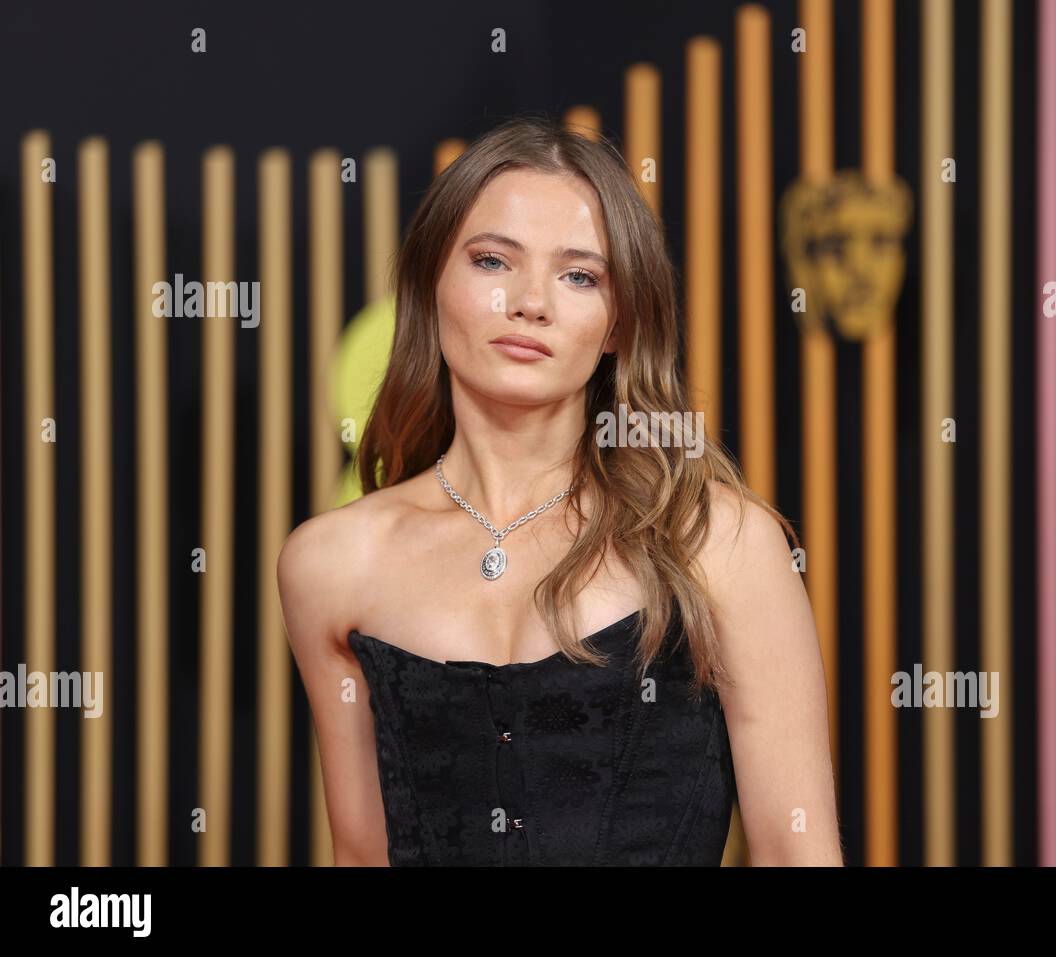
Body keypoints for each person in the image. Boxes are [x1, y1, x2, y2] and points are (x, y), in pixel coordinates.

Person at [277, 115, 842, 866]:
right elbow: (361, 853)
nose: (531, 302)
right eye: (492, 261)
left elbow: (797, 853)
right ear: (430, 280)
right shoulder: (331, 562)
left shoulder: (719, 542)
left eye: (580, 275)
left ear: (618, 324)